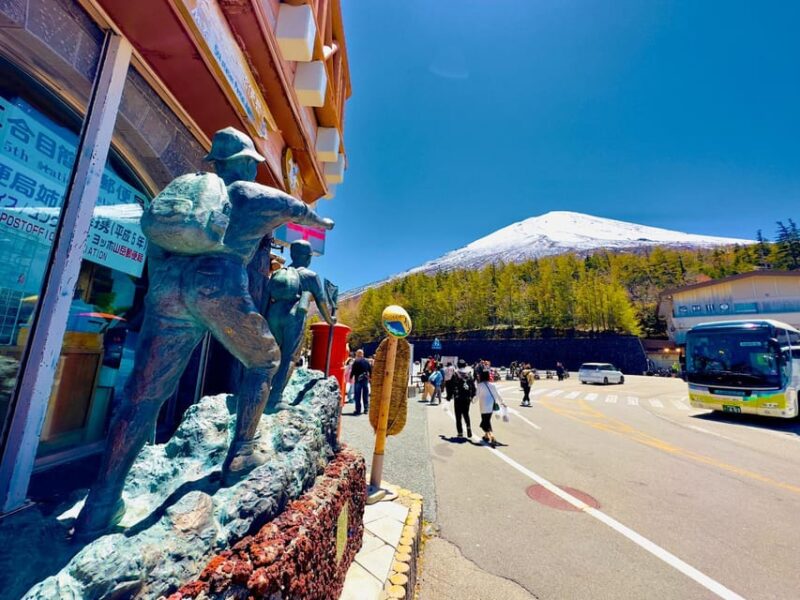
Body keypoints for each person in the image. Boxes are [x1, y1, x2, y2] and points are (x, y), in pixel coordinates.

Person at [74, 127, 334, 538]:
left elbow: (156, 248)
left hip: (167, 287)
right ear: (247, 162)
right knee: (265, 358)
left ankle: (100, 504)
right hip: (218, 283)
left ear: (216, 163)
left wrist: (160, 296)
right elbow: (303, 212)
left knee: (143, 393)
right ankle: (242, 452)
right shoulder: (250, 195)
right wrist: (323, 221)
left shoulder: (185, 196)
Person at [476, 367, 506, 447]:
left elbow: (476, 396)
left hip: (483, 406)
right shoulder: (492, 385)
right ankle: (486, 436)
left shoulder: (480, 385)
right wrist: (502, 402)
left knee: (484, 422)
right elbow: (497, 394)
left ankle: (492, 436)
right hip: (490, 406)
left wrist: (472, 401)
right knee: (486, 420)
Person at [452, 359, 475, 437]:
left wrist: (449, 396)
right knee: (466, 414)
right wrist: (472, 396)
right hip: (467, 398)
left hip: (458, 397)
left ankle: (460, 432)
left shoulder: (455, 374)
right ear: (465, 365)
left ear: (458, 365)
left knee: (458, 415)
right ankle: (468, 428)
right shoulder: (469, 374)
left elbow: (451, 386)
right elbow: (473, 386)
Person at [350, 349, 371, 415]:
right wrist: (370, 378)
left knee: (357, 396)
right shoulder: (367, 361)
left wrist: (351, 377)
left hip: (358, 380)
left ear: (357, 354)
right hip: (365, 380)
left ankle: (358, 410)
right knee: (365, 395)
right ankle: (366, 409)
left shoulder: (356, 362)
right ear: (363, 354)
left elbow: (353, 371)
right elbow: (370, 370)